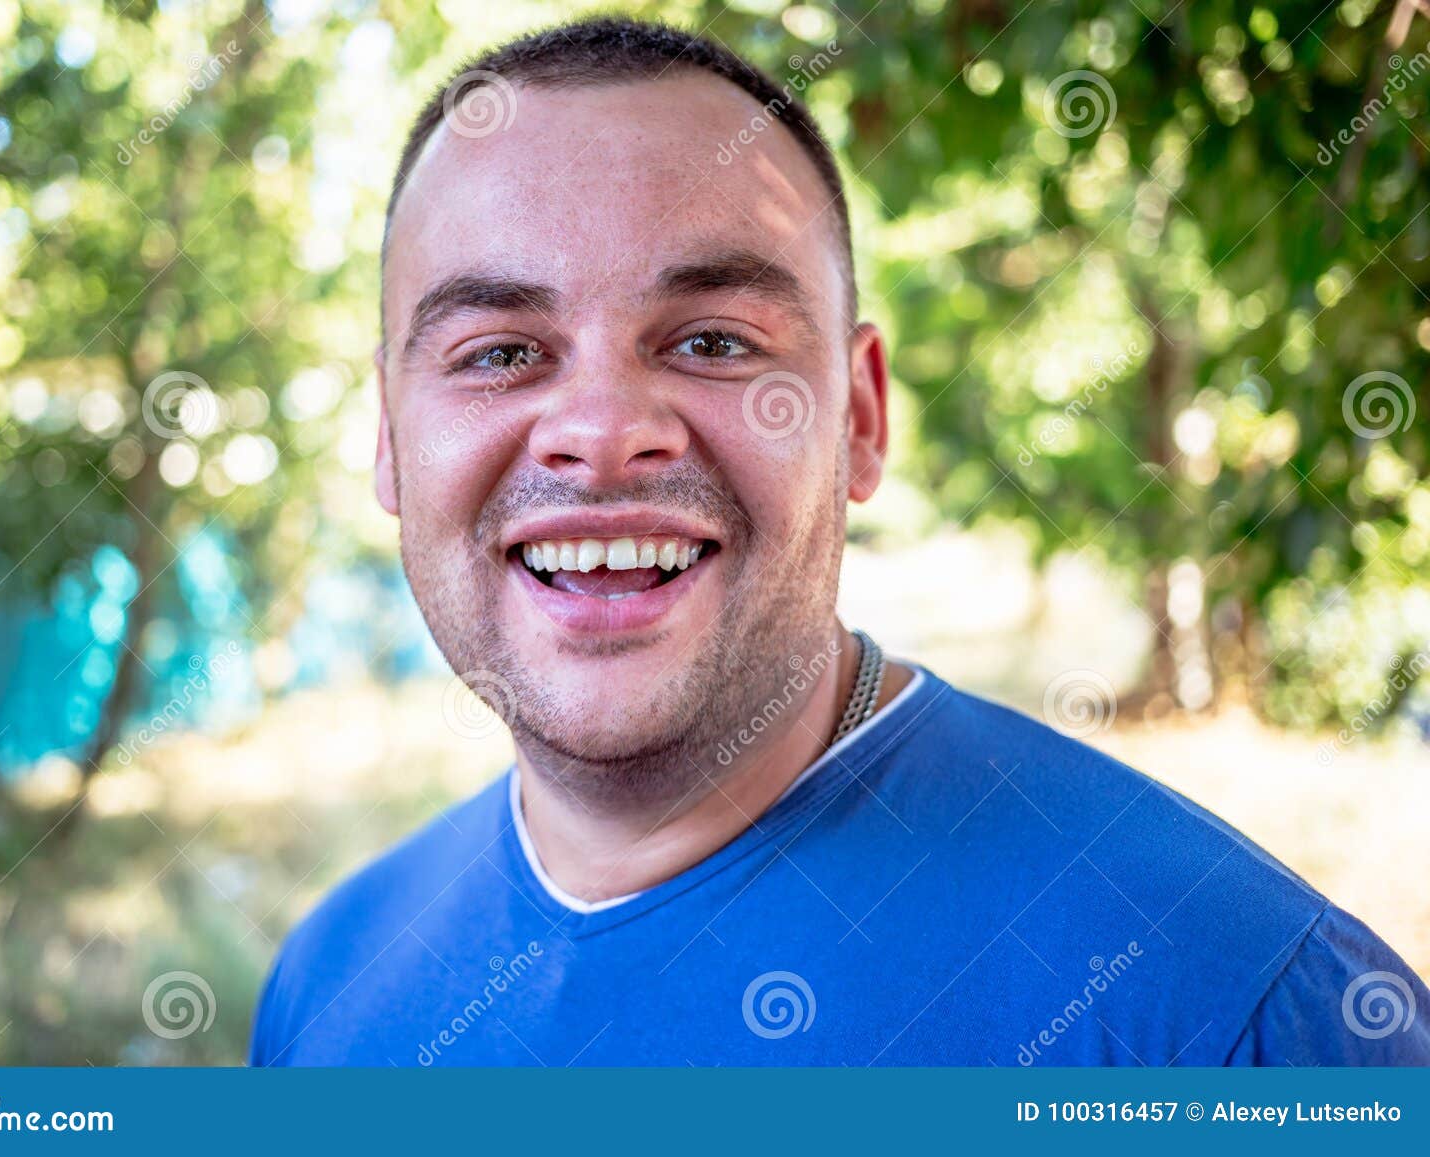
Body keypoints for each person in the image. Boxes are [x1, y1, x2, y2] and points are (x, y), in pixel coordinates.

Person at [250, 16, 1429, 1066]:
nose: (602, 436)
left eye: (711, 340)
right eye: (499, 351)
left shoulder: (1236, 1015)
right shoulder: (326, 986)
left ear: (859, 417)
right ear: (391, 439)